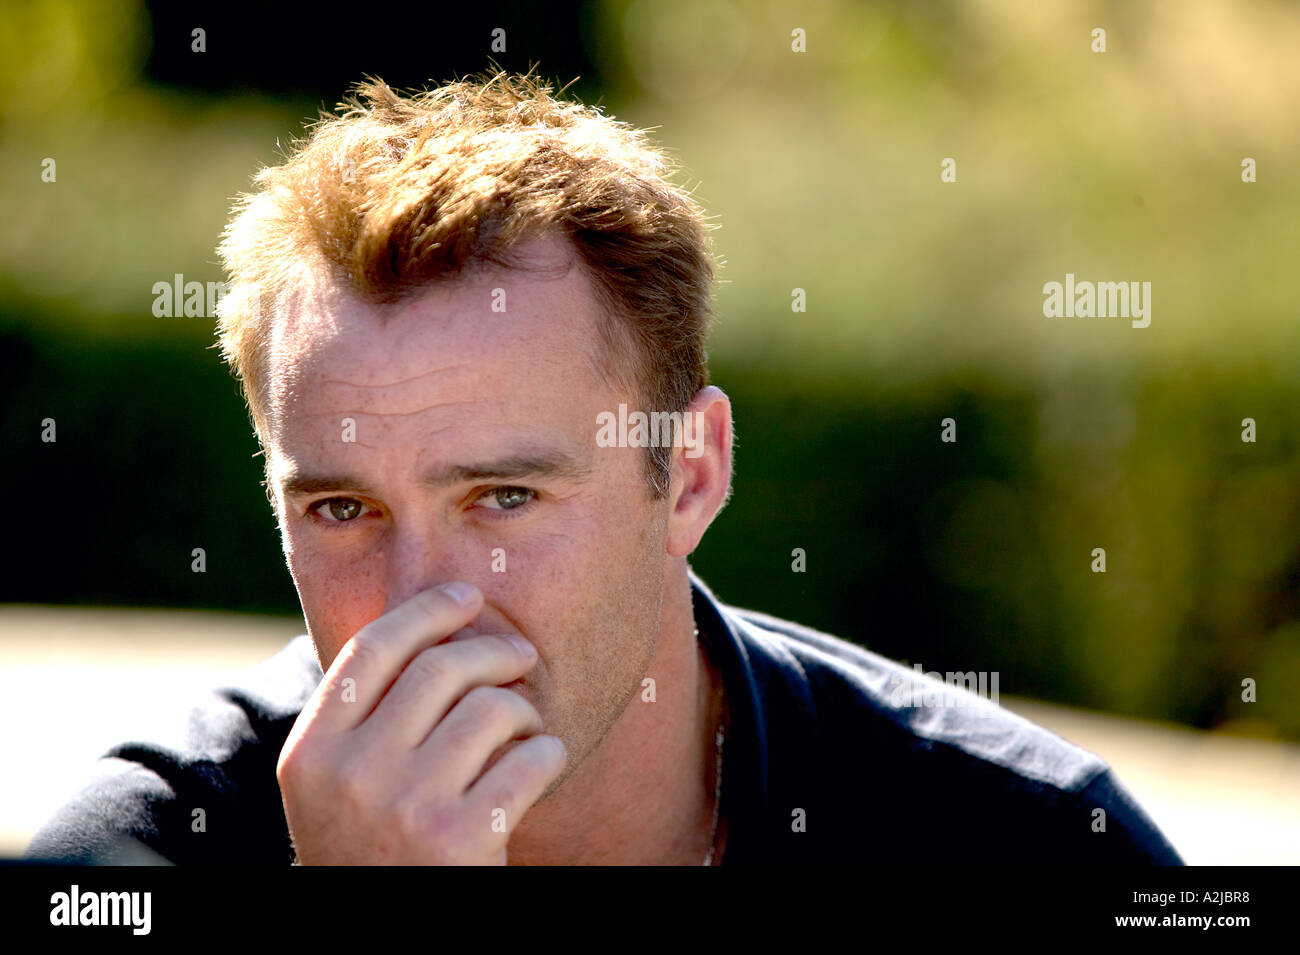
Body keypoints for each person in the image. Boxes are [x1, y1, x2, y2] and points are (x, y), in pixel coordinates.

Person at [25, 70, 1182, 865]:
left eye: (506, 497)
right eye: (342, 507)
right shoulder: (130, 853)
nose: (427, 595)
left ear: (687, 475)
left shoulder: (1019, 841)